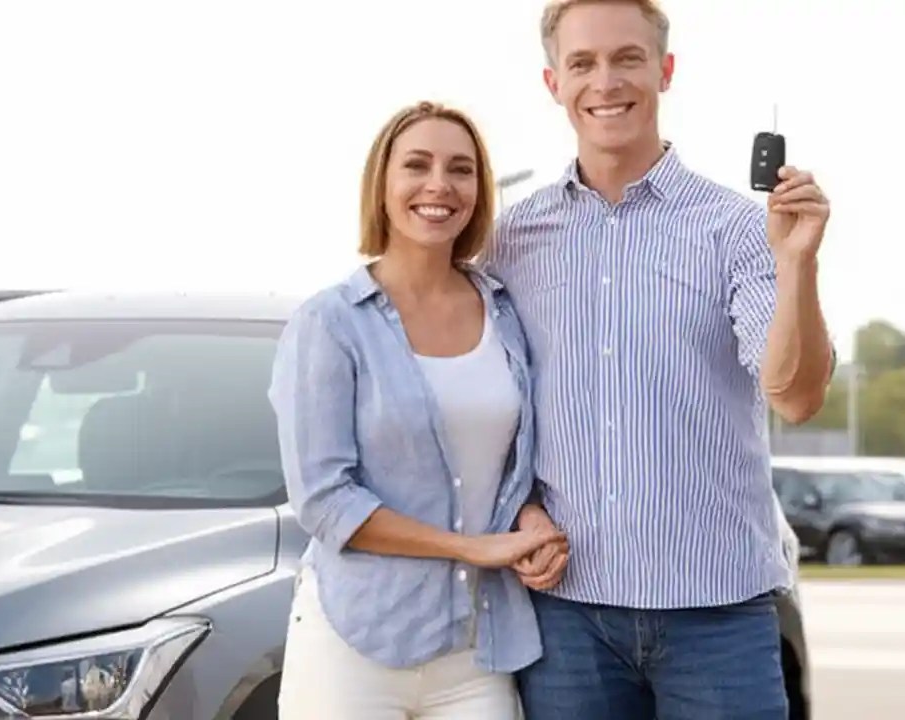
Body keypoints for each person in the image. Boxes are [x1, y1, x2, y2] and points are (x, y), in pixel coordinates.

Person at [481, 1, 835, 719]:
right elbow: (489, 411)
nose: (605, 81)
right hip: (567, 617)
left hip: (717, 617)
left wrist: (797, 264)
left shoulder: (736, 228)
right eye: (582, 62)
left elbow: (794, 396)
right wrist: (520, 509)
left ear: (664, 70)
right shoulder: (512, 240)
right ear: (553, 81)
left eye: (627, 58)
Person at [269, 100, 569, 720]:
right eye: (417, 165)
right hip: (355, 643)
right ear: (383, 184)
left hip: (477, 650)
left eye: (460, 169)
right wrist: (472, 547)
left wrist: (530, 520)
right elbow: (324, 500)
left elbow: (508, 464)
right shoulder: (330, 323)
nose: (439, 185)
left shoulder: (506, 313)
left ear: (479, 190)